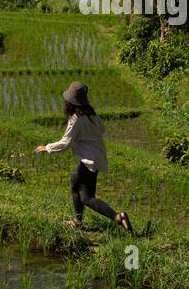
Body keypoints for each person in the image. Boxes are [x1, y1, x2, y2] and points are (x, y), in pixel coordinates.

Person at [35, 81, 133, 233]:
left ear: (70, 102)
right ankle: (78, 221)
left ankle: (118, 217)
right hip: (96, 156)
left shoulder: (76, 119)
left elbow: (66, 142)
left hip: (89, 159)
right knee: (75, 181)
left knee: (87, 198)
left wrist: (46, 148)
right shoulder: (91, 114)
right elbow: (102, 129)